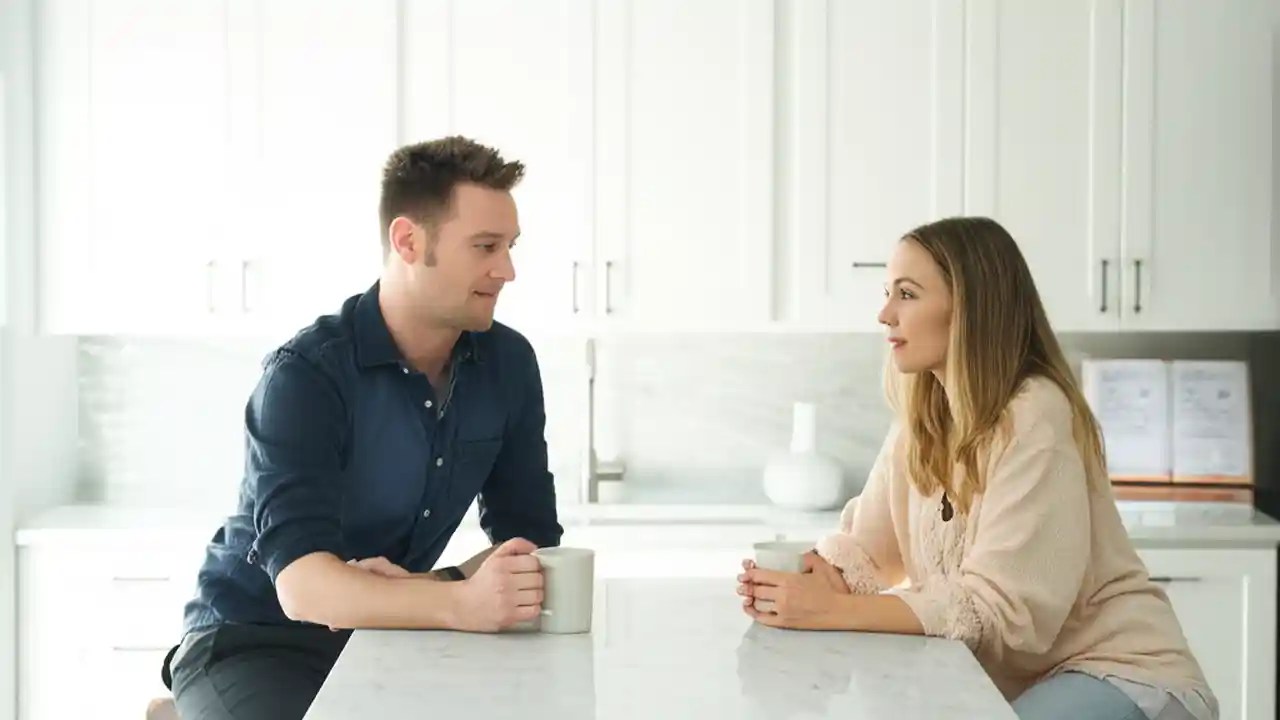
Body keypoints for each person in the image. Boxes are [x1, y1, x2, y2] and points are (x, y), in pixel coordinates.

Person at [736, 217, 1217, 720]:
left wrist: (829, 611)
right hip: (1017, 686)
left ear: (969, 308)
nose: (884, 314)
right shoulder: (922, 420)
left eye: (907, 294)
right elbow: (869, 552)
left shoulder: (1035, 413)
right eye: (888, 293)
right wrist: (810, 577)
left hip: (1121, 670)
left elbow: (998, 610)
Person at [161, 136, 564, 720]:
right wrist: (458, 600)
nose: (507, 270)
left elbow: (532, 545)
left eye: (510, 246)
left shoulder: (508, 364)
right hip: (253, 640)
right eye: (485, 247)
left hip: (395, 633)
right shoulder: (306, 375)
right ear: (408, 240)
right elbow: (303, 589)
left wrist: (431, 589)